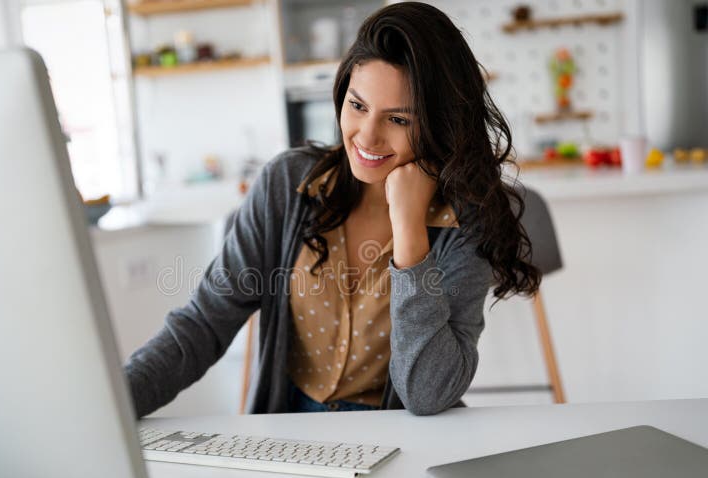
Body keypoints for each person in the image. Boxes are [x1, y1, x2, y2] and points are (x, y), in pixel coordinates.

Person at [124, 2, 540, 417]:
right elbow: (202, 324)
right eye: (358, 106)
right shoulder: (286, 183)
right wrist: (114, 404)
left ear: (439, 123)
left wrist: (410, 231)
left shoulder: (467, 222)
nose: (367, 136)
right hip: (289, 428)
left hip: (399, 436)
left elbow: (428, 393)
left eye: (398, 119)